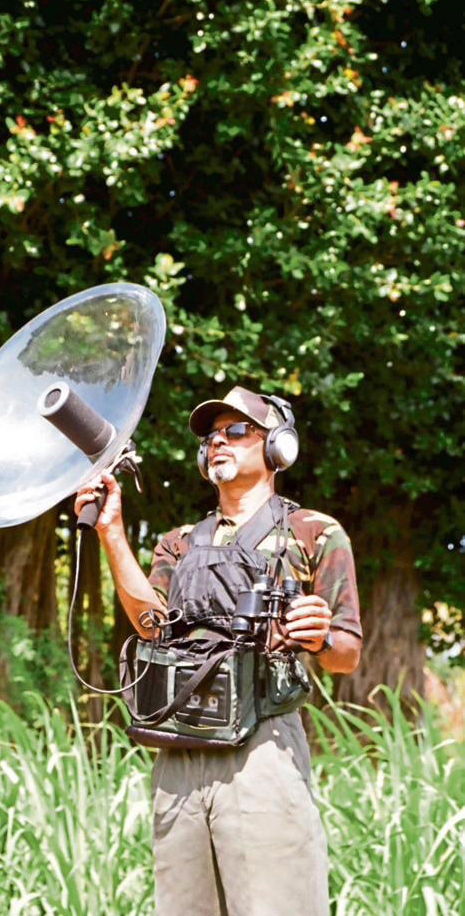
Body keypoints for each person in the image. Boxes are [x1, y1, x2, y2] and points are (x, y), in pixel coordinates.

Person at [75, 385, 362, 916]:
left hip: (262, 748)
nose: (218, 443)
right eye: (211, 437)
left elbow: (346, 654)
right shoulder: (178, 542)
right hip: (178, 750)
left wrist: (319, 635)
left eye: (237, 431)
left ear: (278, 447)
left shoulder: (314, 533)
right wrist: (111, 531)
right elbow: (150, 627)